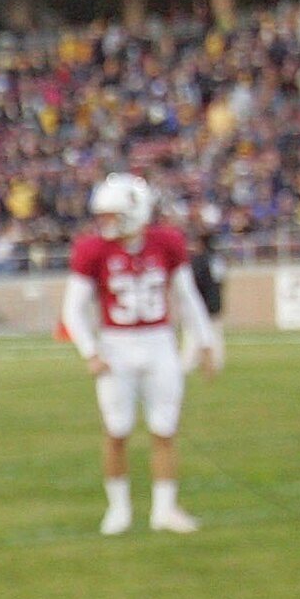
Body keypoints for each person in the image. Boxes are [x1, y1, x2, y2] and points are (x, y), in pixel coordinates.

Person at [64, 172, 221, 534]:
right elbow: (72, 310)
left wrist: (205, 342)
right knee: (116, 430)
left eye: (111, 215)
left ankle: (164, 510)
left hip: (159, 342)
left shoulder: (166, 242)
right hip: (116, 345)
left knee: (164, 429)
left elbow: (187, 297)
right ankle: (118, 509)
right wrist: (90, 351)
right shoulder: (92, 249)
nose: (105, 222)